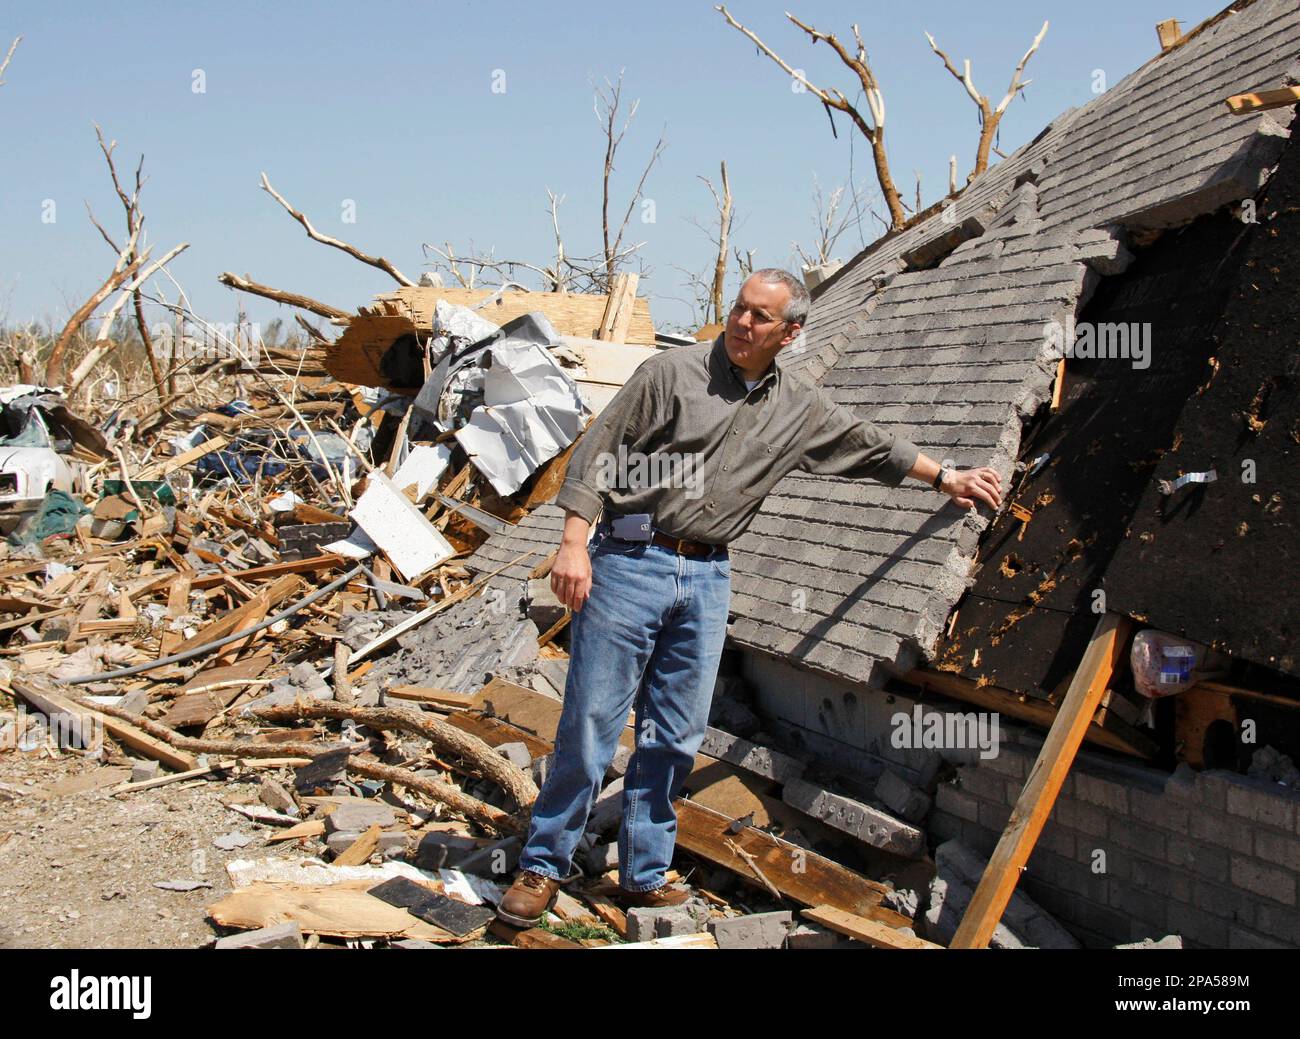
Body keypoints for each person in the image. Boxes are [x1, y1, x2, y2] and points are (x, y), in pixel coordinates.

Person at [495, 268, 1002, 926]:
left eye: (761, 317)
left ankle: (643, 871)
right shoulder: (669, 374)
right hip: (628, 560)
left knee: (675, 735)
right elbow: (598, 451)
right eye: (739, 308)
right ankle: (542, 864)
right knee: (589, 727)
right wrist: (571, 543)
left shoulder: (800, 405)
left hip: (707, 579)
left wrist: (947, 477)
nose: (742, 323)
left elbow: (867, 445)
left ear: (791, 333)